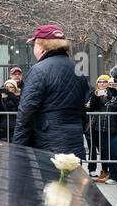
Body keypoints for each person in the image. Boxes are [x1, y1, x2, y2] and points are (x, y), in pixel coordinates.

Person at [13, 24, 88, 158]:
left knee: (50, 179)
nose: (33, 49)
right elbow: (82, 109)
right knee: (69, 178)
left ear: (42, 46)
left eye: (34, 45)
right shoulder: (77, 69)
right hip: (74, 141)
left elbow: (26, 113)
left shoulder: (39, 70)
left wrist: (17, 150)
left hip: (48, 144)